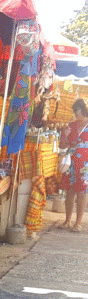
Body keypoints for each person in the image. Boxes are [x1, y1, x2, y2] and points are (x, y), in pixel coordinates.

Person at [60, 98, 88, 232]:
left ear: (82, 110)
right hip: (71, 161)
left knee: (82, 192)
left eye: (75, 110)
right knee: (70, 191)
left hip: (85, 163)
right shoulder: (70, 126)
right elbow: (62, 145)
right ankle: (67, 221)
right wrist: (65, 136)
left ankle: (78, 223)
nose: (74, 112)